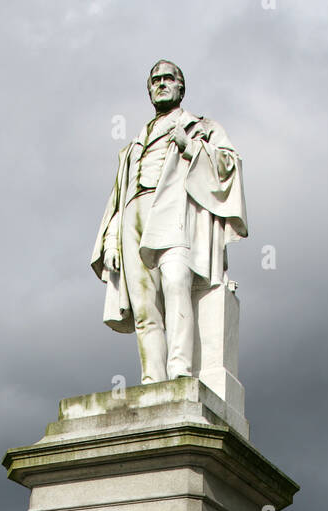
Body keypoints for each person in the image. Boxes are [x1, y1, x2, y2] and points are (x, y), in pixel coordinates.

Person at [91, 60, 247, 385]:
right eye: (155, 80)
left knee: (176, 282)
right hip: (133, 214)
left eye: (168, 79)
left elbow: (230, 164)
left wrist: (190, 147)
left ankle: (179, 373)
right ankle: (153, 380)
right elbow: (119, 195)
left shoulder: (200, 126)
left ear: (181, 87)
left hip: (174, 209)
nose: (161, 84)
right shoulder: (135, 142)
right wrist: (110, 240)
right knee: (144, 305)